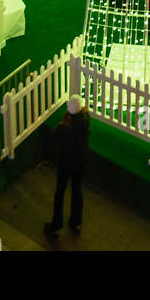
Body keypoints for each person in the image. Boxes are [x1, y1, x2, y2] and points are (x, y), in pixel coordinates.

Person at [45, 94, 90, 237]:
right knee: (77, 189)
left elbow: (53, 139)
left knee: (60, 192)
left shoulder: (64, 128)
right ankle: (76, 222)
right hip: (80, 162)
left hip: (66, 164)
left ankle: (56, 224)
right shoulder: (86, 119)